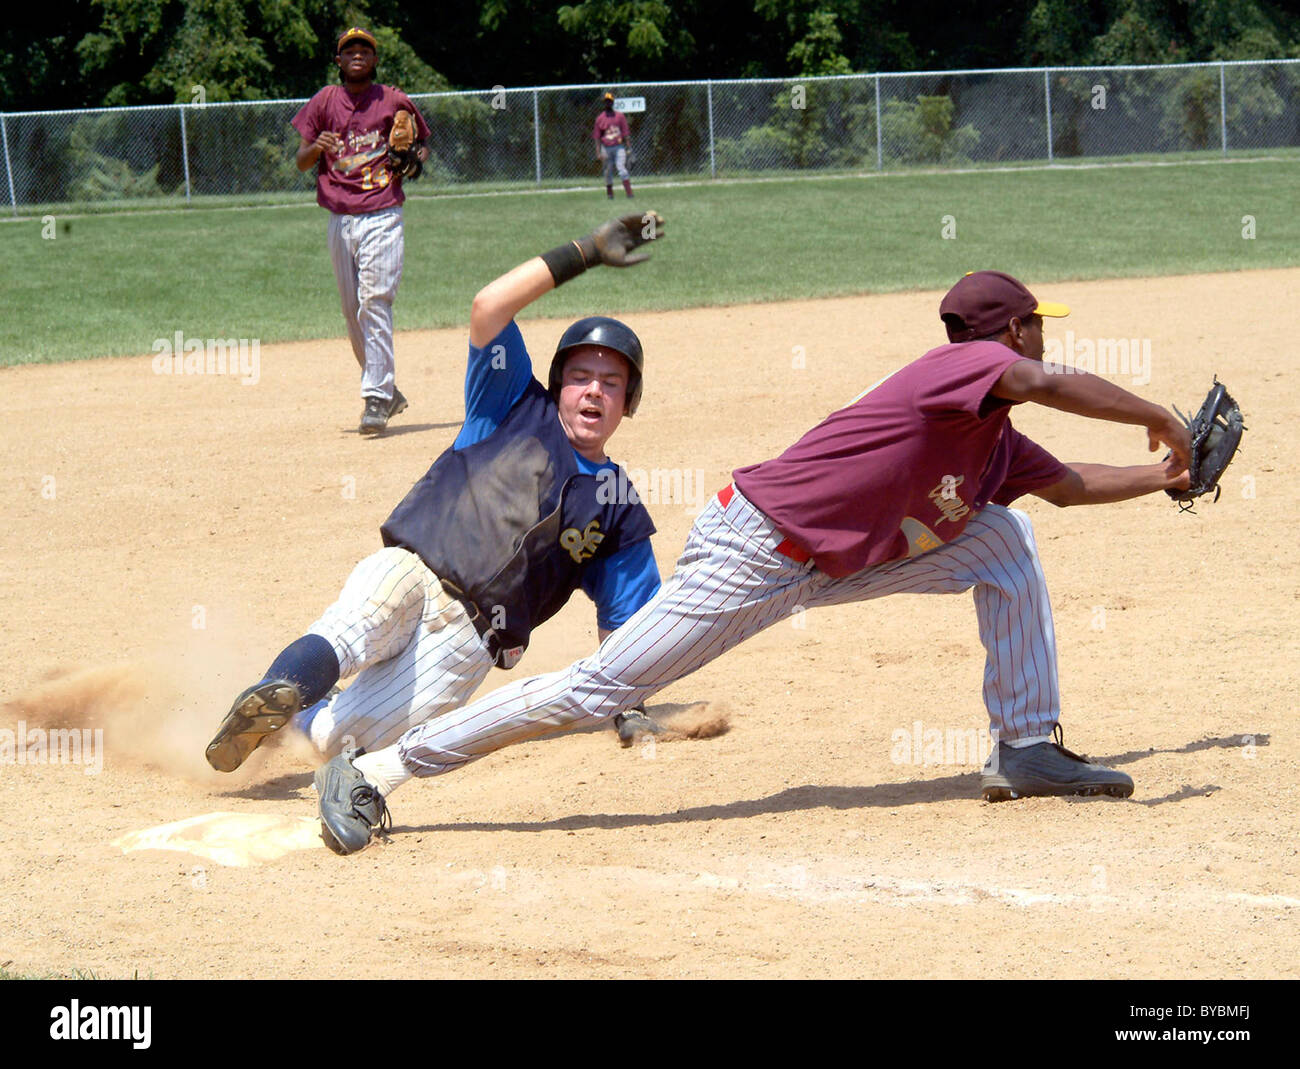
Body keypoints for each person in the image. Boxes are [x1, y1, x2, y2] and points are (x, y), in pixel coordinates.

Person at [312, 269, 1197, 855]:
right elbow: (1038, 382)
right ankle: (383, 769)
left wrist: (1168, 473)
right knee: (597, 690)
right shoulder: (953, 370)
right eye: (1037, 327)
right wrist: (1157, 407)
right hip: (751, 548)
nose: (1041, 342)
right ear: (1009, 332)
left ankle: (1027, 747)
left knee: (1004, 538)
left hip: (831, 568)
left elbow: (1073, 483)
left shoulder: (996, 442)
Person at [205, 212, 669, 783]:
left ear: (629, 402)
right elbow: (489, 307)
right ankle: (277, 691)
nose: (593, 390)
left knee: (339, 738)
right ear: (556, 384)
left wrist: (632, 705)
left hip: (468, 644)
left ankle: (294, 722)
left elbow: (630, 620)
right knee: (357, 625)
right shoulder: (511, 403)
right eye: (579, 376)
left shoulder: (617, 504)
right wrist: (586, 252)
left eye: (612, 382)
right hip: (414, 571)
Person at [291, 27, 431, 436]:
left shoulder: (392, 99)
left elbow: (420, 143)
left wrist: (414, 159)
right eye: (348, 49)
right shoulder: (324, 101)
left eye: (364, 50)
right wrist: (317, 146)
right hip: (339, 218)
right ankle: (388, 391)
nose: (356, 54)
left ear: (373, 60)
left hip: (382, 213)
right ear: (338, 60)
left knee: (374, 302)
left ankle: (375, 396)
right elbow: (301, 161)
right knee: (353, 311)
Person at [593, 92, 634, 200]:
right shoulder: (600, 118)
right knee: (608, 171)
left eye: (610, 101)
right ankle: (610, 194)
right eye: (606, 101)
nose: (608, 103)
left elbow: (625, 133)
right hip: (606, 148)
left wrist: (629, 148)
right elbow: (597, 137)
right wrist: (598, 152)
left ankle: (629, 193)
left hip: (618, 147)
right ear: (604, 103)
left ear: (613, 102)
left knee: (622, 169)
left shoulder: (620, 116)